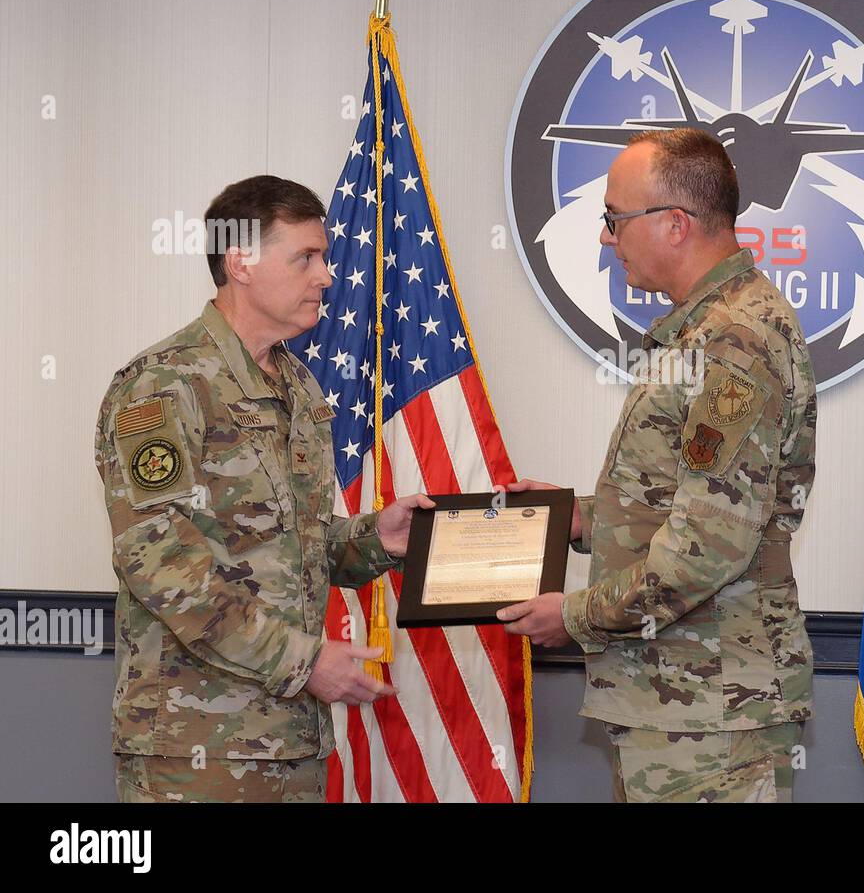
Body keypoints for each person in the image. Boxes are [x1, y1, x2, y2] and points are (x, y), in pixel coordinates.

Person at [498, 129, 818, 802]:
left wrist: (576, 615)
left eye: (614, 219)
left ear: (674, 224)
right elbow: (683, 500)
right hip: (681, 707)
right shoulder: (707, 328)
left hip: (711, 718)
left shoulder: (734, 339)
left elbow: (706, 548)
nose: (606, 238)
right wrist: (573, 517)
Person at [94, 175, 432, 802]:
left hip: (292, 739)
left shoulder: (296, 385)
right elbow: (162, 566)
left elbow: (295, 546)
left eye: (324, 257)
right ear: (240, 263)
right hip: (197, 747)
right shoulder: (162, 388)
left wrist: (376, 537)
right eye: (305, 257)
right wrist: (303, 661)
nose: (325, 276)